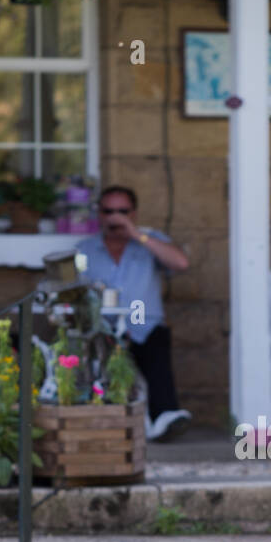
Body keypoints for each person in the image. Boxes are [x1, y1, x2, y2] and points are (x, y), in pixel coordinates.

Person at [78, 185, 192, 441]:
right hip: (102, 328)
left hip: (146, 327)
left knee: (156, 344)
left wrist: (135, 234)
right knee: (94, 356)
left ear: (134, 213)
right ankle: (107, 422)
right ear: (99, 214)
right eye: (108, 211)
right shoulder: (84, 249)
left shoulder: (149, 240)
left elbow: (181, 263)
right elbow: (71, 288)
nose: (115, 218)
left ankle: (165, 417)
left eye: (122, 211)